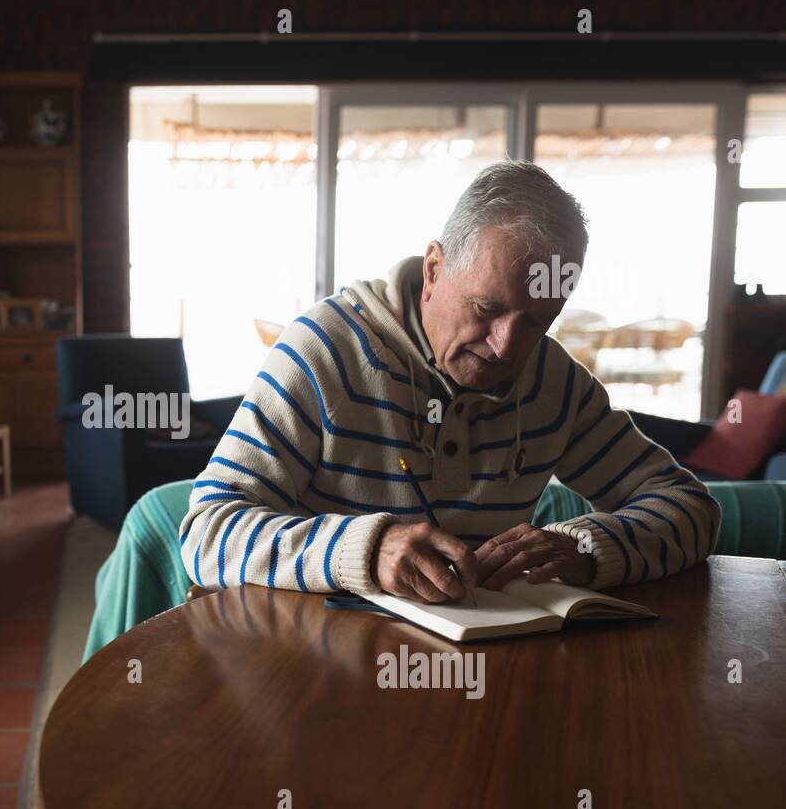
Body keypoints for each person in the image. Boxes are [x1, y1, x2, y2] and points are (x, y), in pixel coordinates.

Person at [179, 160, 719, 604]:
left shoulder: (554, 383)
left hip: (486, 667)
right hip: (312, 663)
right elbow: (207, 532)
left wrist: (585, 547)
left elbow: (690, 508)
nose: (506, 346)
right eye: (487, 308)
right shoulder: (324, 352)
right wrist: (365, 550)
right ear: (434, 269)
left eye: (537, 320)